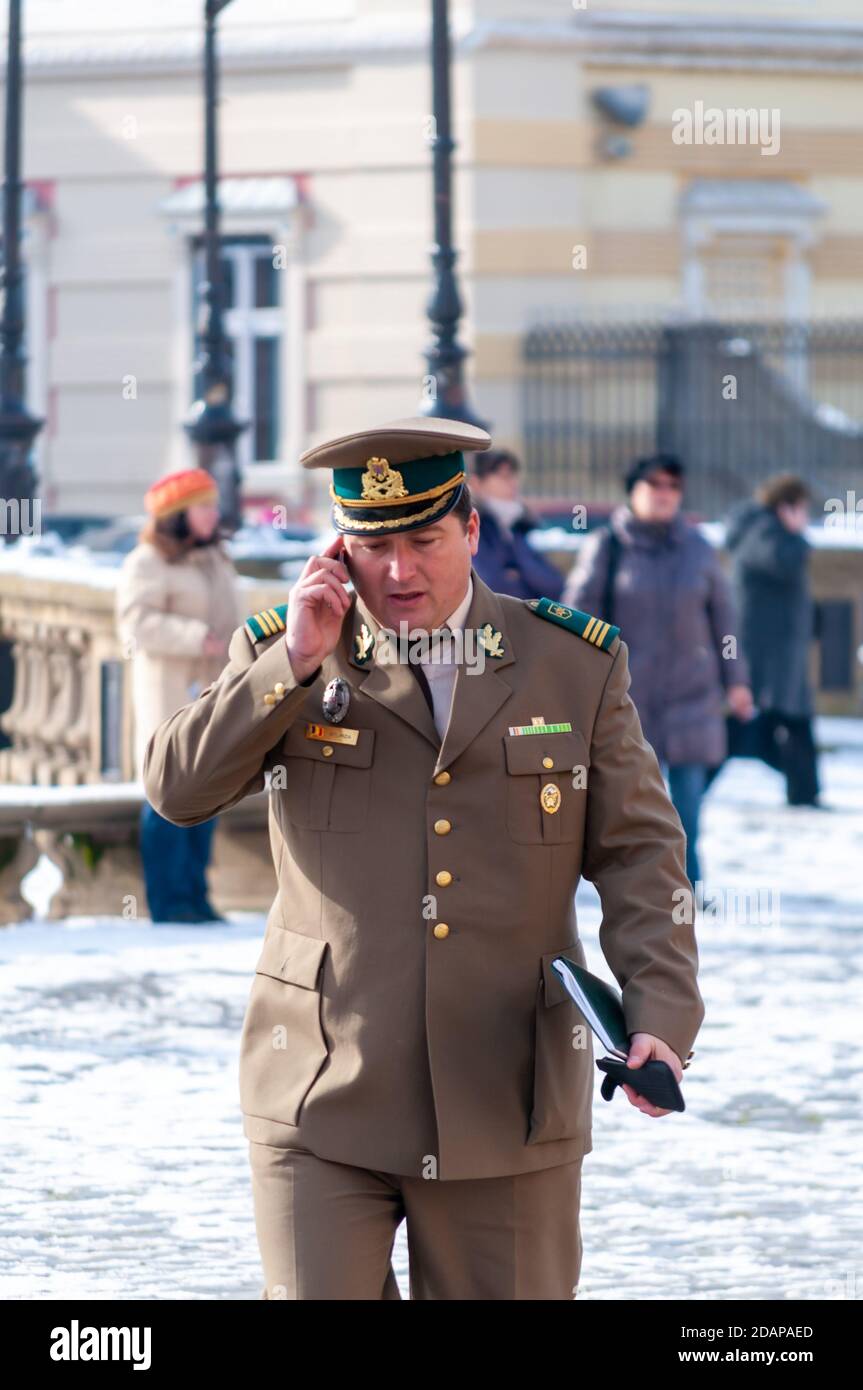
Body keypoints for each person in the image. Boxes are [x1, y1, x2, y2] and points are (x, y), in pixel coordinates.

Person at [143, 417, 705, 1301]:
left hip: (505, 1095)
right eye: (372, 546)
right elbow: (175, 790)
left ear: (472, 531)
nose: (398, 571)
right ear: (338, 548)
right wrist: (291, 662)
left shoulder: (572, 666)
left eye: (423, 540)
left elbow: (640, 856)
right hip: (323, 1086)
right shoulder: (290, 652)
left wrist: (660, 1018)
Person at [562, 453, 753, 889]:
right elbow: (572, 621)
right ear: (633, 491)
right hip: (627, 698)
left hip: (693, 696)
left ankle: (687, 884)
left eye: (673, 487)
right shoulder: (607, 547)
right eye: (654, 485)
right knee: (629, 800)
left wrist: (737, 681)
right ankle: (635, 882)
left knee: (687, 804)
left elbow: (725, 621)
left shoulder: (699, 548)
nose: (664, 494)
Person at [116, 467, 242, 923]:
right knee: (166, 791)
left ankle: (196, 895)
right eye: (204, 506)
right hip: (168, 693)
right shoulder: (147, 561)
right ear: (177, 514)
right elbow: (135, 622)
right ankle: (168, 902)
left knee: (205, 790)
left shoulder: (215, 558)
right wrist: (194, 637)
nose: (213, 514)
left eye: (212, 505)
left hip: (209, 692)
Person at [725, 474, 820, 806]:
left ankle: (805, 793)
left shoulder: (767, 531)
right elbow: (783, 562)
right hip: (765, 650)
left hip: (780, 650)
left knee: (793, 720)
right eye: (802, 510)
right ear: (786, 507)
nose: (806, 518)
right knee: (748, 723)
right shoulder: (763, 532)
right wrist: (797, 535)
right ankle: (697, 774)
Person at [469, 447, 564, 600]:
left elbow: (554, 585)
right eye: (503, 476)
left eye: (513, 476)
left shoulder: (520, 526)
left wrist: (517, 573)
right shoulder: (471, 526)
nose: (512, 483)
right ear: (477, 483)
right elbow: (488, 584)